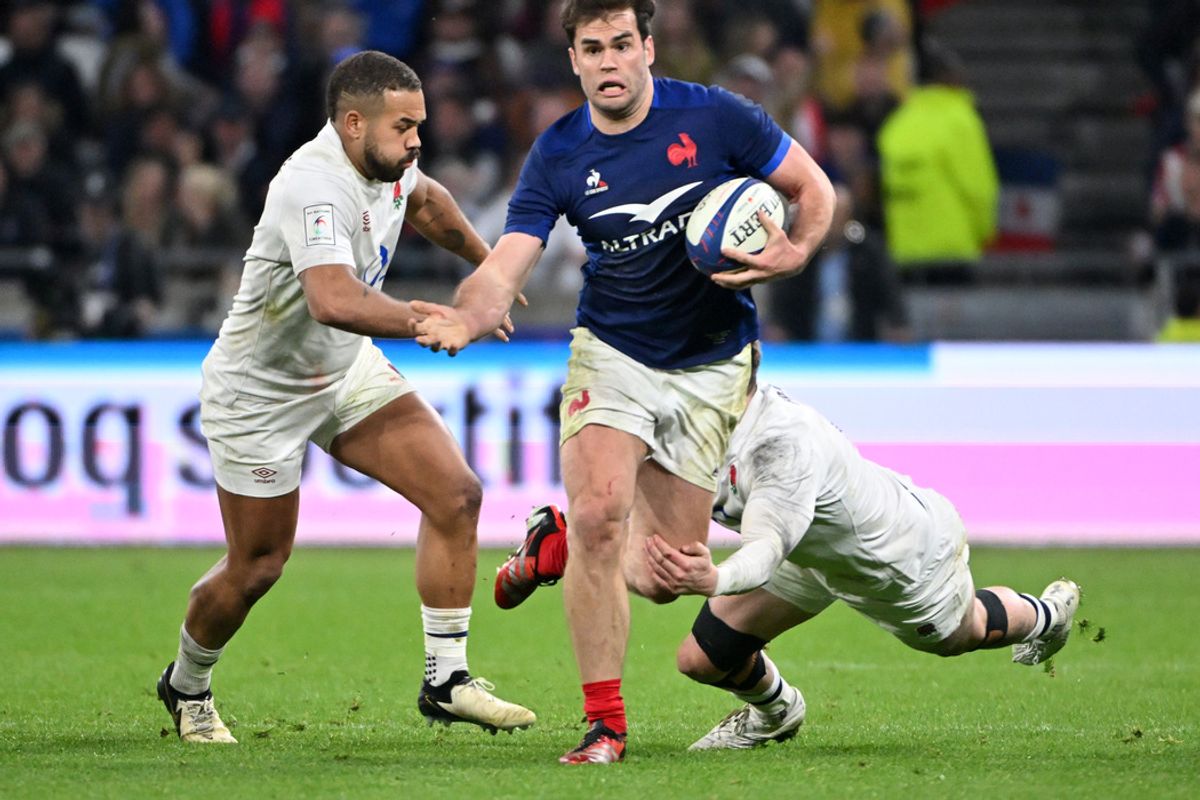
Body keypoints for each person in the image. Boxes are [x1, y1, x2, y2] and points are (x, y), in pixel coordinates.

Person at [411, 0, 835, 764]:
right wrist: (469, 315)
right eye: (592, 49)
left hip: (710, 364)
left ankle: (556, 542)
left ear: (648, 48)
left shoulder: (717, 118)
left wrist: (796, 252)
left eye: (620, 45)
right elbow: (508, 262)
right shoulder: (559, 153)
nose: (608, 61)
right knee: (604, 512)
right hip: (613, 352)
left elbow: (814, 190)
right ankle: (605, 726)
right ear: (574, 59)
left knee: (666, 573)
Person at [155, 50, 535, 744]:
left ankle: (447, 680)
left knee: (456, 496)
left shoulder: (388, 163)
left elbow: (427, 202)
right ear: (354, 123)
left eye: (419, 125)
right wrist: (424, 319)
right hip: (260, 394)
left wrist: (491, 270)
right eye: (403, 127)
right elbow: (330, 298)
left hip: (343, 372)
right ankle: (186, 683)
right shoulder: (313, 185)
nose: (416, 141)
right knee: (258, 566)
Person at [642, 356, 1081, 750]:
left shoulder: (781, 443)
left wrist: (715, 579)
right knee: (701, 660)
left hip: (891, 557)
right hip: (807, 552)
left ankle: (1047, 615)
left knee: (963, 632)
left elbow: (766, 549)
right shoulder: (687, 423)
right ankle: (776, 714)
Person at [876, 39, 998, 285]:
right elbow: (978, 188)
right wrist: (984, 233)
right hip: (953, 249)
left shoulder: (897, 124)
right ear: (948, 77)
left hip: (905, 251)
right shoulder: (960, 120)